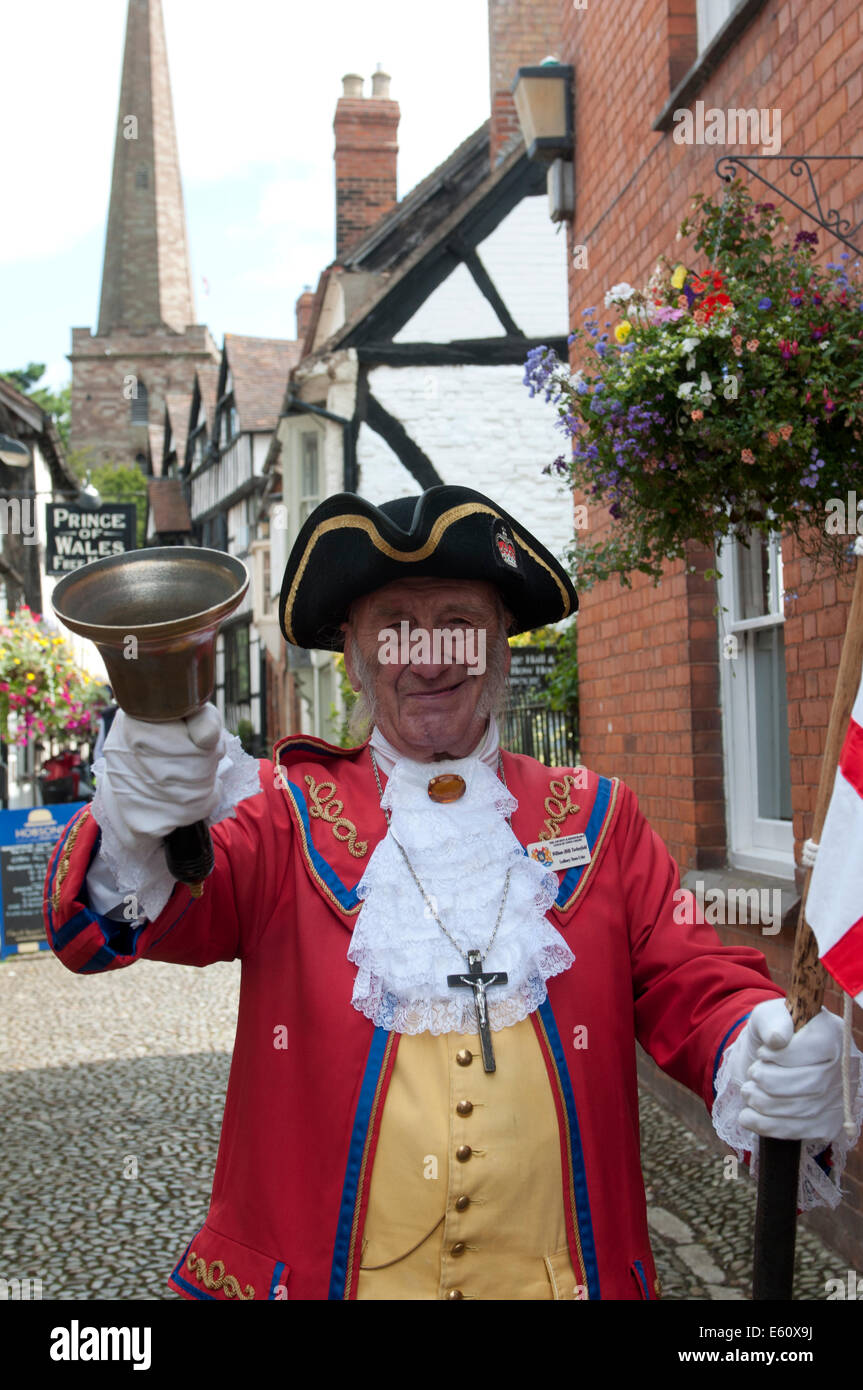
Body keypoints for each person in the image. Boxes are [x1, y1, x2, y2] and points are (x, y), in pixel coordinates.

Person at [44, 486, 859, 1301]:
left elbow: (690, 979)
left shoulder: (598, 817)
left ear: (499, 643)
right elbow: (132, 920)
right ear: (354, 653)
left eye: (458, 624)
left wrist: (753, 1044)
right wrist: (137, 821)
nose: (427, 658)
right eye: (394, 627)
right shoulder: (281, 819)